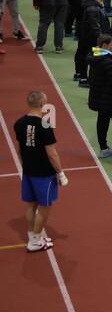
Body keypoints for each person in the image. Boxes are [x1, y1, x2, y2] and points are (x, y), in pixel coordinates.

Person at [14, 91, 66, 253]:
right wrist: (61, 173)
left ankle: (33, 237)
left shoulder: (19, 123)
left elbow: (19, 150)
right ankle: (35, 242)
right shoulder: (45, 125)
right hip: (44, 174)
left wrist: (25, 166)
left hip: (29, 172)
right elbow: (52, 153)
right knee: (44, 209)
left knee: (31, 206)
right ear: (43, 104)